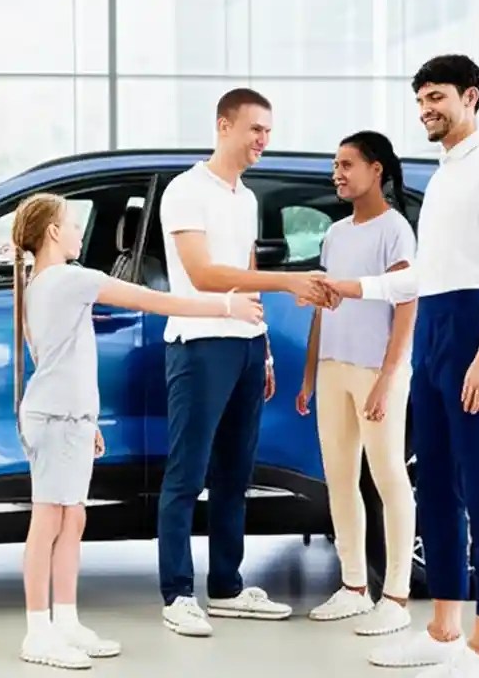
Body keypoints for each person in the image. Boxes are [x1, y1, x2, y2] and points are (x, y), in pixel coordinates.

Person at [323, 55, 479, 678]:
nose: (425, 110)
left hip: (474, 332)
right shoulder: (441, 179)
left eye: (435, 97)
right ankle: (443, 629)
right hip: (436, 329)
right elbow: (423, 277)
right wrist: (351, 289)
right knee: (435, 484)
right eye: (419, 101)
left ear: (471, 96)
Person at [10, 192, 266, 670]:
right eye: (70, 223)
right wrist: (224, 306)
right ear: (51, 233)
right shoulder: (69, 279)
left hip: (67, 418)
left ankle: (64, 620)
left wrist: (87, 420)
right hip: (55, 420)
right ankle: (37, 631)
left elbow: (56, 359)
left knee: (72, 521)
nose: (78, 231)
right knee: (48, 522)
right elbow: (151, 299)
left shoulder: (42, 282)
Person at [155, 87, 337, 638]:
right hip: (199, 342)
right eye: (255, 129)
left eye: (269, 132)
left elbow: (244, 266)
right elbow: (205, 274)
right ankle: (178, 594)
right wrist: (287, 282)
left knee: (235, 475)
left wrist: (260, 342)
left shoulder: (245, 197)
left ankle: (228, 587)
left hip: (243, 343)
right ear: (223, 126)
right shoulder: (185, 191)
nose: (263, 140)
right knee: (186, 475)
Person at [296, 130, 418, 636]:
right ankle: (353, 588)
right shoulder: (337, 233)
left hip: (375, 371)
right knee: (340, 478)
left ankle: (396, 595)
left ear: (377, 171)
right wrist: (309, 374)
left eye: (347, 164)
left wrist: (388, 379)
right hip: (333, 370)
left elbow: (407, 304)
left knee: (388, 477)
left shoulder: (396, 231)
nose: (338, 173)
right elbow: (325, 307)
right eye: (335, 165)